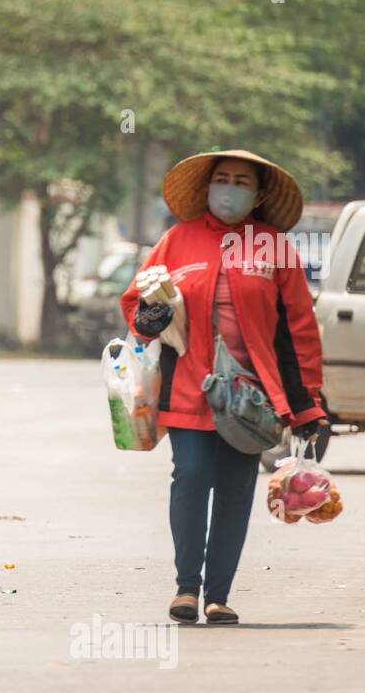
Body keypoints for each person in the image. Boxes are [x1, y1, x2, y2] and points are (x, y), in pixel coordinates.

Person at [119, 150, 326, 626]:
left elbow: (300, 327)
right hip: (187, 388)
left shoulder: (274, 247)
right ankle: (186, 587)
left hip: (253, 397)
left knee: (235, 491)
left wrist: (307, 402)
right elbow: (136, 302)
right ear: (208, 187)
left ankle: (218, 596)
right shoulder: (177, 239)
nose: (229, 188)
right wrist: (147, 315)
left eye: (240, 181)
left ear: (258, 195)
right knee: (190, 476)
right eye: (222, 179)